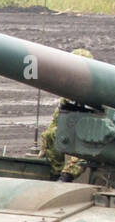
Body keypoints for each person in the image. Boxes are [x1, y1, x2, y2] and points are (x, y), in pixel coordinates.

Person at [40, 48, 94, 180]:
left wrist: (68, 175)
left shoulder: (94, 95)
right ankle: (55, 172)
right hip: (73, 130)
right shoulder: (70, 95)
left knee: (82, 141)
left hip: (90, 134)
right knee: (51, 134)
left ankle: (66, 176)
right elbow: (57, 120)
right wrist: (45, 146)